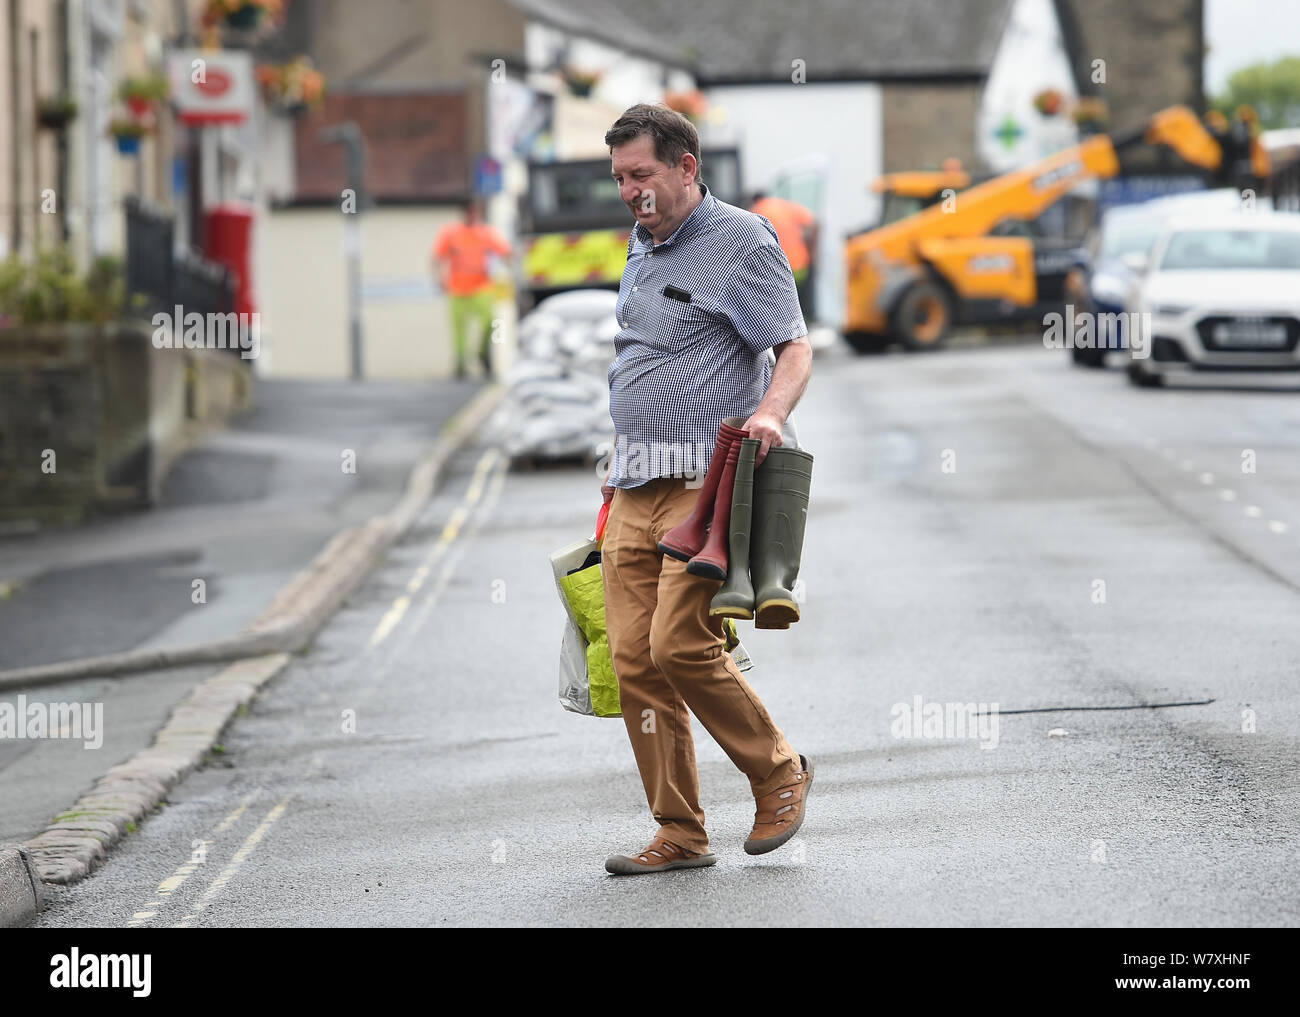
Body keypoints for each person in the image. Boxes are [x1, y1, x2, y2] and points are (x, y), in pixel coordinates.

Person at [598, 103, 815, 875]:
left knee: (678, 643)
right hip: (632, 483)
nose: (631, 190)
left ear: (687, 166)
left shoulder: (741, 240)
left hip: (705, 484)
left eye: (643, 174)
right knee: (632, 661)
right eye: (621, 177)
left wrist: (770, 412)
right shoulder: (643, 241)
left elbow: (793, 345)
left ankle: (778, 767)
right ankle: (682, 832)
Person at [430, 200, 511, 379]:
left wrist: (509, 269)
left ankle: (482, 354)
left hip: (482, 286)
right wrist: (438, 279)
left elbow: (505, 253)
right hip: (457, 288)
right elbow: (437, 257)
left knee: (491, 321)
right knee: (458, 329)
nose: (473, 215)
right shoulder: (451, 233)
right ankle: (460, 363)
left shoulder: (486, 233)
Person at [749, 190, 817, 322]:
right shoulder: (786, 205)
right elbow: (813, 222)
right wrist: (812, 250)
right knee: (801, 302)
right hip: (800, 262)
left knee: (783, 306)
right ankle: (805, 331)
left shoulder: (755, 211)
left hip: (778, 266)